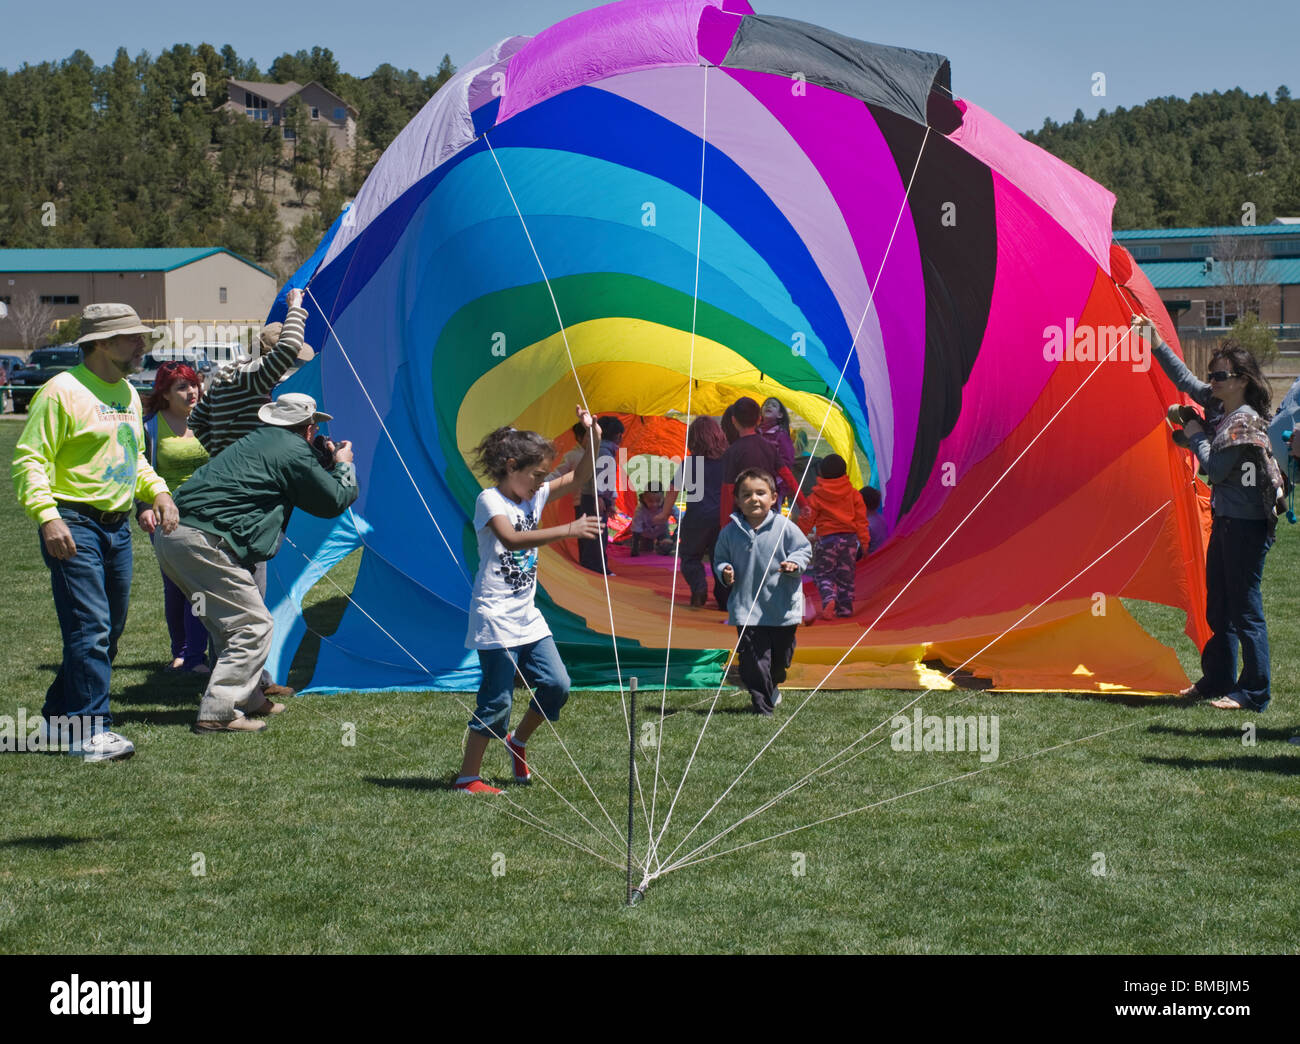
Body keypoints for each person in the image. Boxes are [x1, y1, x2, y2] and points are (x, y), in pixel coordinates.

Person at [12, 303, 179, 762]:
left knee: (107, 631)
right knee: (91, 628)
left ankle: (55, 721)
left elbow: (133, 457)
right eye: (132, 337)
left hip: (116, 528)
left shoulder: (127, 392)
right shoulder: (61, 391)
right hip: (74, 523)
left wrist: (159, 492)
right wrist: (48, 517)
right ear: (102, 343)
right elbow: (29, 460)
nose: (142, 344)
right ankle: (91, 731)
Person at [152, 392, 358, 733]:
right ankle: (219, 711)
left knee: (230, 626)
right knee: (252, 626)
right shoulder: (292, 450)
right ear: (308, 428)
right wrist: (343, 464)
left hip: (177, 536)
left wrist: (319, 460)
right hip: (204, 540)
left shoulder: (261, 440)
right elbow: (334, 500)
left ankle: (249, 697)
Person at [1137, 314, 1284, 712]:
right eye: (1212, 375)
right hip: (1227, 521)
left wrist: (1194, 434)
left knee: (1245, 609)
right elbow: (1185, 380)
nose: (1212, 382)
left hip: (1247, 527)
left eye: (1220, 376)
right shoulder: (1221, 405)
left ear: (1241, 381)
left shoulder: (1244, 421)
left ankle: (1254, 692)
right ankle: (1219, 678)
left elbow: (1215, 469)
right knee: (1219, 605)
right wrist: (1155, 343)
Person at [456, 410, 603, 794]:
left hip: (526, 616)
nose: (542, 483)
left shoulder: (533, 494)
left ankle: (517, 742)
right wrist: (568, 529)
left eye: (544, 476)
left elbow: (581, 477)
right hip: (494, 617)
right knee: (497, 701)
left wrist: (594, 437)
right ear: (511, 467)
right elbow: (511, 539)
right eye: (537, 474)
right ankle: (467, 778)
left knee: (557, 684)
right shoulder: (490, 500)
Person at [188, 288, 315, 702]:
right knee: (247, 598)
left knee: (235, 598)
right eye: (291, 364)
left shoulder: (226, 381)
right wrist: (296, 308)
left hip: (227, 497)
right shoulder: (254, 378)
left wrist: (221, 454)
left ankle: (249, 680)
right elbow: (290, 344)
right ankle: (239, 690)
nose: (293, 369)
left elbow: (197, 420)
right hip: (242, 505)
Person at [714, 467, 812, 715]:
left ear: (773, 497)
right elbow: (720, 559)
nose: (754, 499)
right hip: (747, 609)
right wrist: (724, 570)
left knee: (779, 660)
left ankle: (773, 681)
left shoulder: (784, 526)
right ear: (737, 500)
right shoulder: (729, 532)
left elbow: (803, 550)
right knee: (754, 661)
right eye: (746, 494)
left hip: (781, 609)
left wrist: (794, 563)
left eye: (760, 493)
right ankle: (762, 707)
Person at [137, 362, 211, 672]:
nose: (192, 391)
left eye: (193, 384)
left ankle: (195, 655)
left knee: (200, 588)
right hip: (166, 518)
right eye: (182, 387)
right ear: (165, 394)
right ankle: (181, 651)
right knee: (176, 588)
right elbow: (138, 468)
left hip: (207, 517)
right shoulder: (150, 427)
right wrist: (143, 507)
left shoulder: (208, 421)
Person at [660, 415, 729, 608]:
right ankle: (724, 599)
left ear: (693, 440)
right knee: (720, 560)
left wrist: (664, 513)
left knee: (690, 556)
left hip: (696, 518)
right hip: (722, 519)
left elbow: (673, 489)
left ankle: (699, 587)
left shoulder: (690, 463)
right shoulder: (727, 461)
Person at [797, 453, 871, 620]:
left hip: (826, 541)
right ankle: (845, 609)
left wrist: (798, 536)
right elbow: (861, 521)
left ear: (821, 474)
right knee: (846, 575)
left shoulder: (816, 496)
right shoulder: (854, 495)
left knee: (823, 574)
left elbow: (807, 519)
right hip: (849, 541)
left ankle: (828, 597)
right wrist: (865, 543)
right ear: (845, 473)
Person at [718, 397, 802, 529]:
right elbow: (787, 475)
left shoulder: (732, 452)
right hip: (768, 513)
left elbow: (728, 490)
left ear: (733, 420)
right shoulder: (769, 446)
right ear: (759, 419)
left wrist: (724, 526)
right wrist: (803, 503)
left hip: (742, 518)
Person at [577, 415, 624, 575]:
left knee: (595, 532)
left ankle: (590, 564)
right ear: (617, 435)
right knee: (597, 533)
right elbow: (597, 477)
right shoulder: (604, 452)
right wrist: (599, 497)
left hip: (595, 497)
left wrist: (610, 502)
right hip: (594, 498)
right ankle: (596, 567)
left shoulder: (601, 449)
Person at [757, 396, 797, 502]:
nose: (769, 406)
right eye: (766, 404)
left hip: (775, 485)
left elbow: (787, 461)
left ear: (780, 415)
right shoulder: (756, 432)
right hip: (755, 481)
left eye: (773, 405)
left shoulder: (781, 436)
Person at [629, 486, 674, 555]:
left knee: (666, 548)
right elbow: (636, 528)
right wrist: (635, 547)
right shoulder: (640, 510)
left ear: (663, 498)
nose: (654, 504)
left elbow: (681, 519)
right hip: (646, 534)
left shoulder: (667, 506)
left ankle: (660, 544)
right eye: (650, 501)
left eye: (658, 501)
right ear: (644, 498)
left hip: (662, 532)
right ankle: (648, 543)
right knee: (646, 550)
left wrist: (673, 539)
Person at [859, 485, 890, 555]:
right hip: (883, 555)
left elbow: (862, 550)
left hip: (873, 558)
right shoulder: (881, 519)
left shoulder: (867, 526)